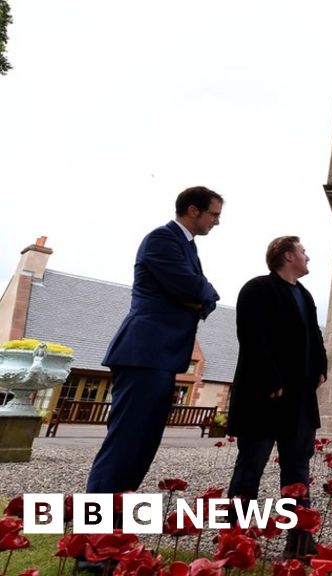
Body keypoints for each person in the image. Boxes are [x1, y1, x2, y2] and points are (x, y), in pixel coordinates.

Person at [86, 186, 222, 494]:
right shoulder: (161, 239)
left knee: (143, 444)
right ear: (193, 210)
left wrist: (202, 295)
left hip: (162, 357)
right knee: (125, 441)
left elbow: (202, 295)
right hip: (143, 352)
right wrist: (201, 293)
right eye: (214, 214)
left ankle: (116, 522)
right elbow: (190, 287)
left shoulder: (188, 247)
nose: (217, 221)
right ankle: (93, 524)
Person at [226, 236, 327, 559]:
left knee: (297, 471)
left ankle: (299, 543)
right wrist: (271, 378)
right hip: (265, 397)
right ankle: (235, 540)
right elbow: (253, 337)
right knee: (249, 468)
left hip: (299, 401)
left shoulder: (306, 295)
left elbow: (314, 336)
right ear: (287, 256)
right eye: (302, 251)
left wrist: (321, 368)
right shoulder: (257, 289)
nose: (307, 256)